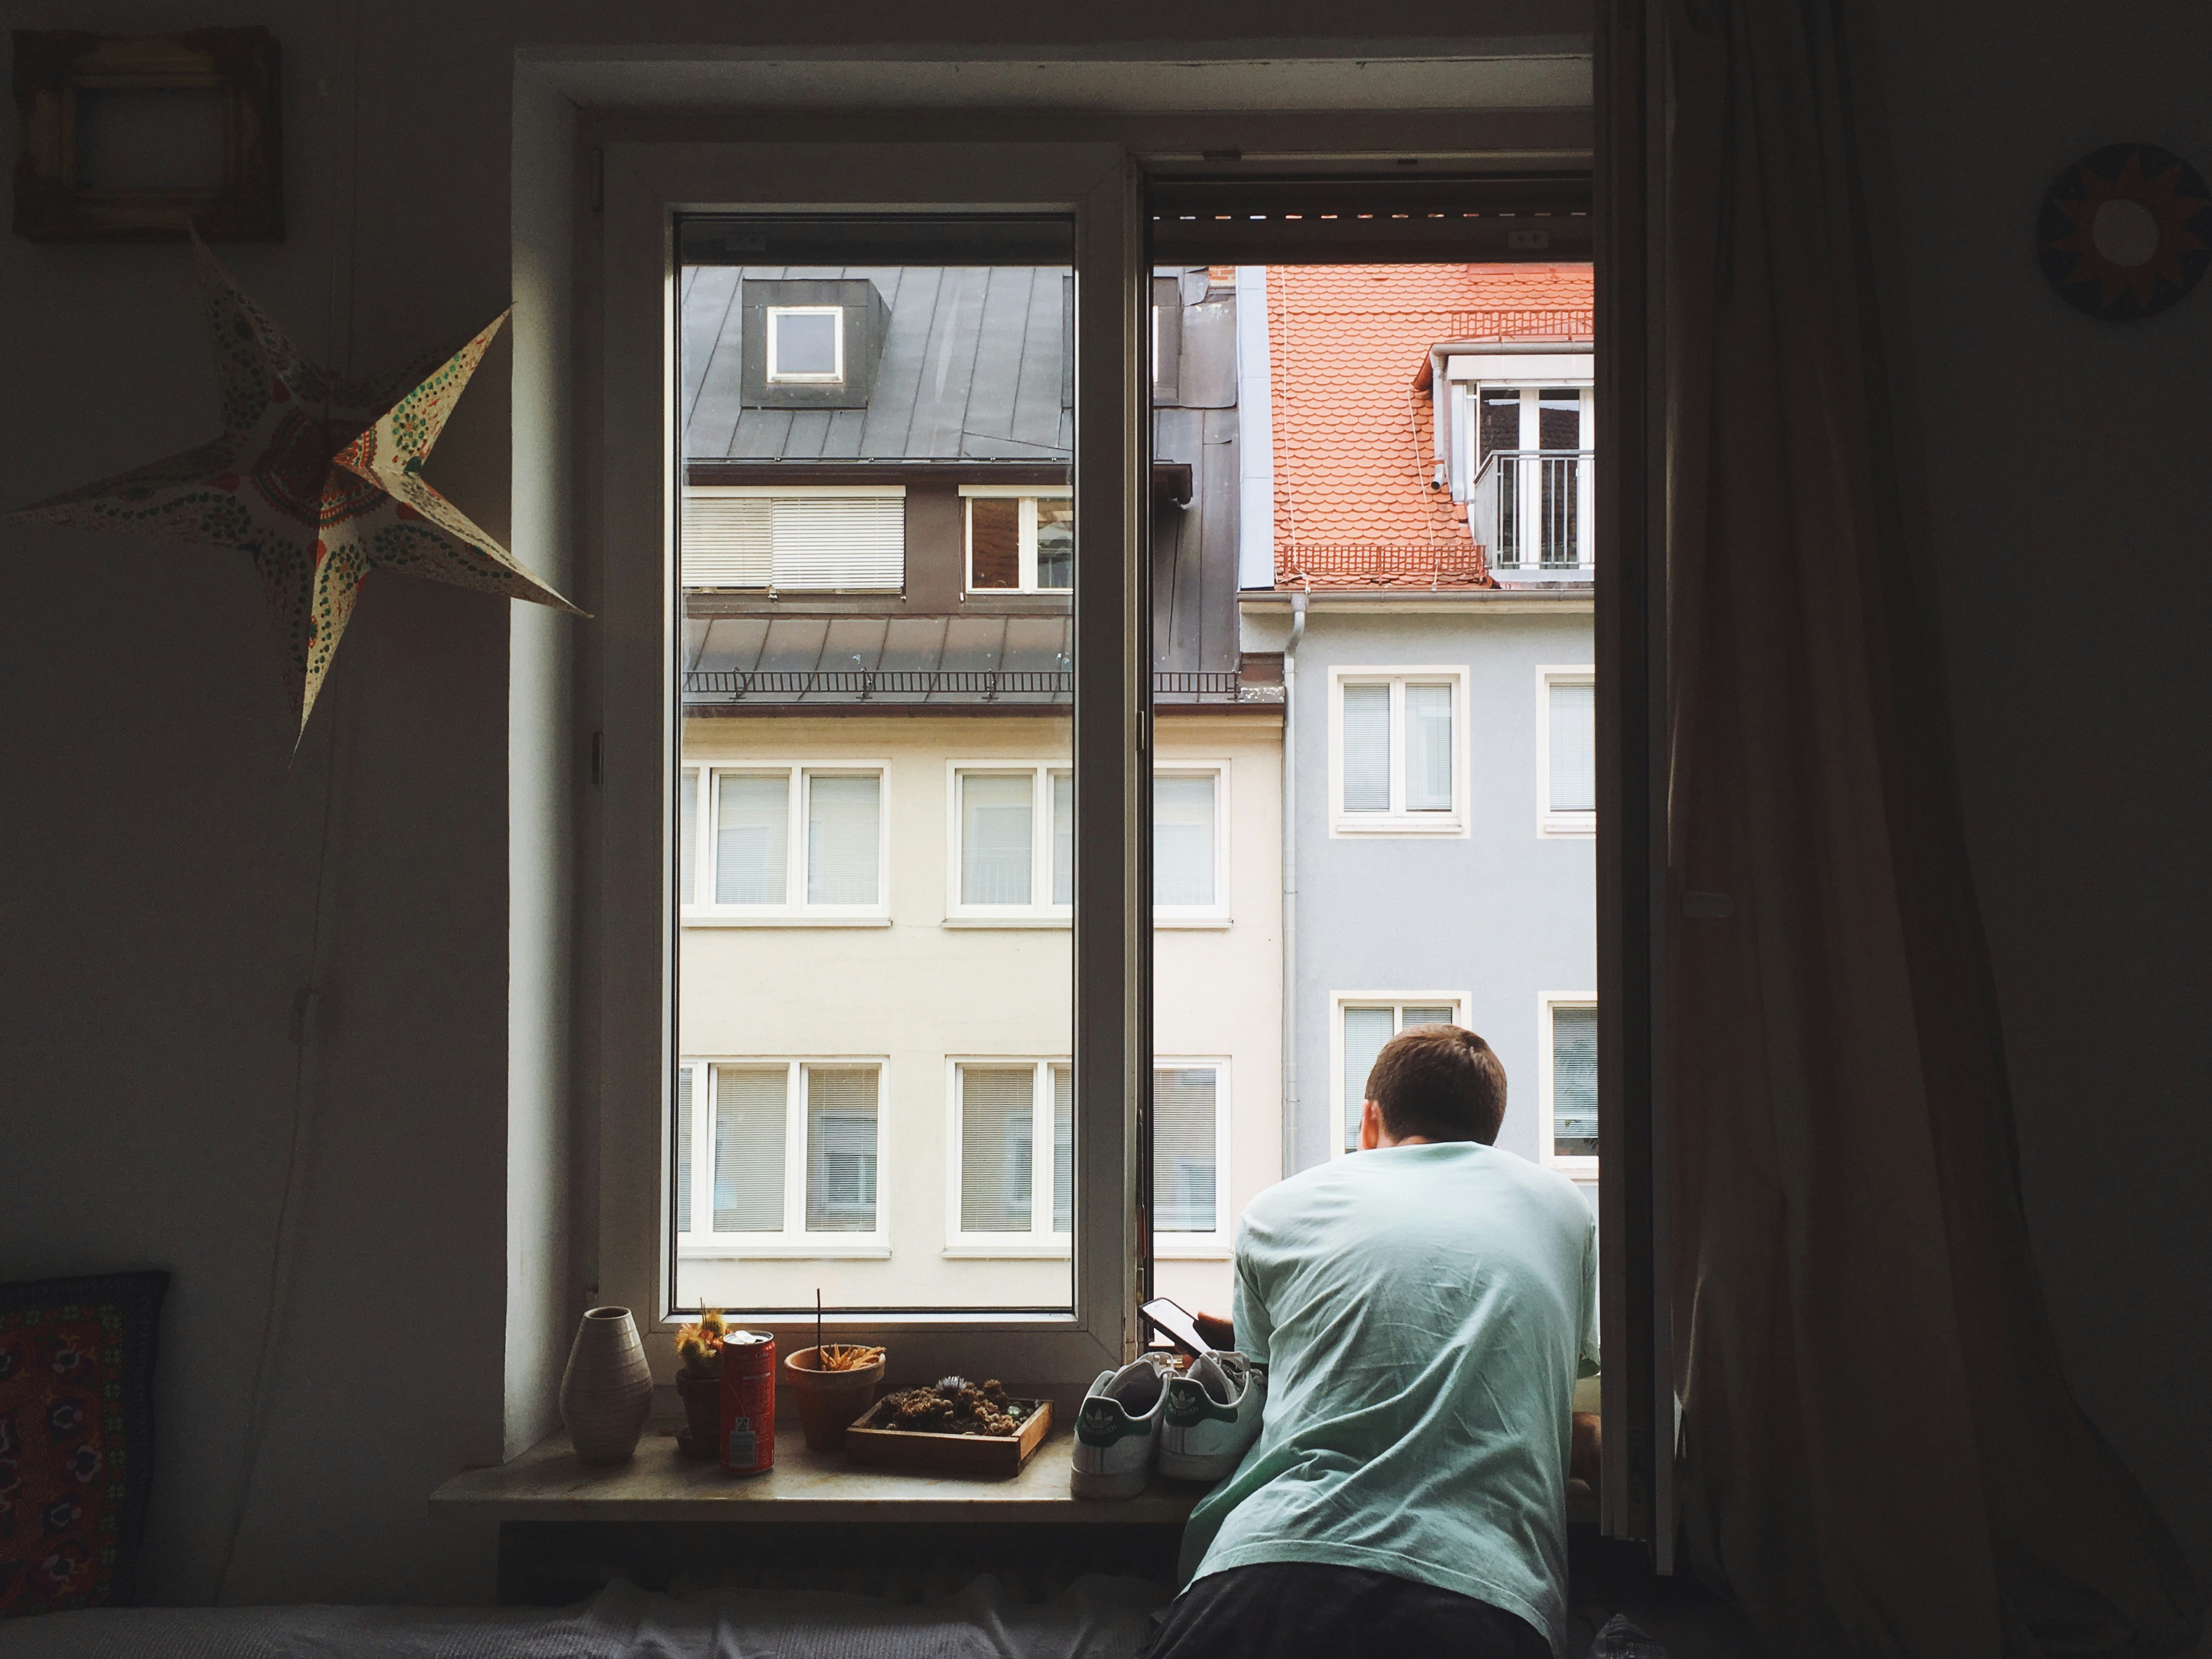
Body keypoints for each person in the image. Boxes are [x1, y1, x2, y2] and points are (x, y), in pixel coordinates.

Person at [1142, 1024, 1600, 1659]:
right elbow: (1548, 1397)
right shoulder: (1562, 1208)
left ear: (1369, 1121)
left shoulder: (1276, 1211)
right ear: (1489, 1135)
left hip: (1268, 1567)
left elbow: (1264, 1391)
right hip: (1482, 1591)